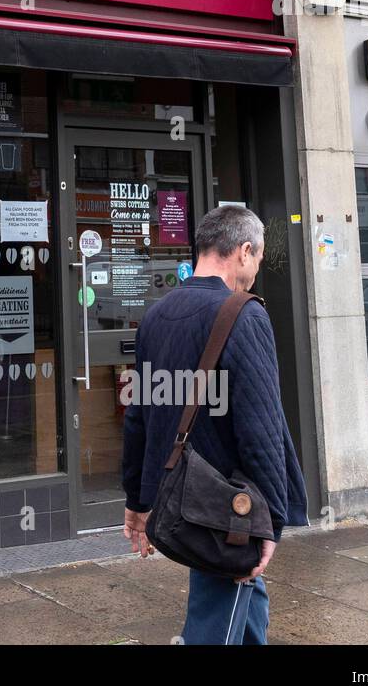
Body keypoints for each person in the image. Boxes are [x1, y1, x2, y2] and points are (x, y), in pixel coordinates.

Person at [121, 204, 308, 645]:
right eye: (258, 259)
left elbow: (138, 415)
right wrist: (272, 522)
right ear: (243, 251)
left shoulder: (156, 315)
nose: (256, 271)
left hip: (181, 499)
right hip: (226, 507)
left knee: (248, 600)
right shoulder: (245, 313)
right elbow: (261, 429)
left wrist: (137, 499)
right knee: (213, 623)